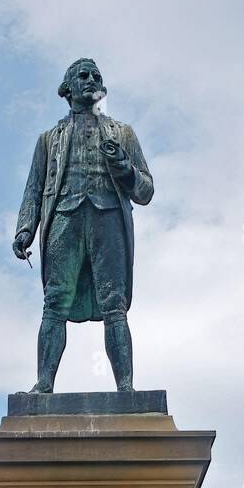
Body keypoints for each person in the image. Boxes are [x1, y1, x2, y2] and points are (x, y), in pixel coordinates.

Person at [12, 57, 154, 393]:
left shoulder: (122, 133)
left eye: (96, 76)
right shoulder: (49, 139)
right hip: (65, 218)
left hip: (109, 220)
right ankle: (44, 384)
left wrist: (124, 167)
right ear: (67, 89)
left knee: (114, 304)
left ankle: (126, 389)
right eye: (82, 75)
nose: (90, 80)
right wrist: (24, 229)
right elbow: (33, 190)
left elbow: (145, 191)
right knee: (54, 302)